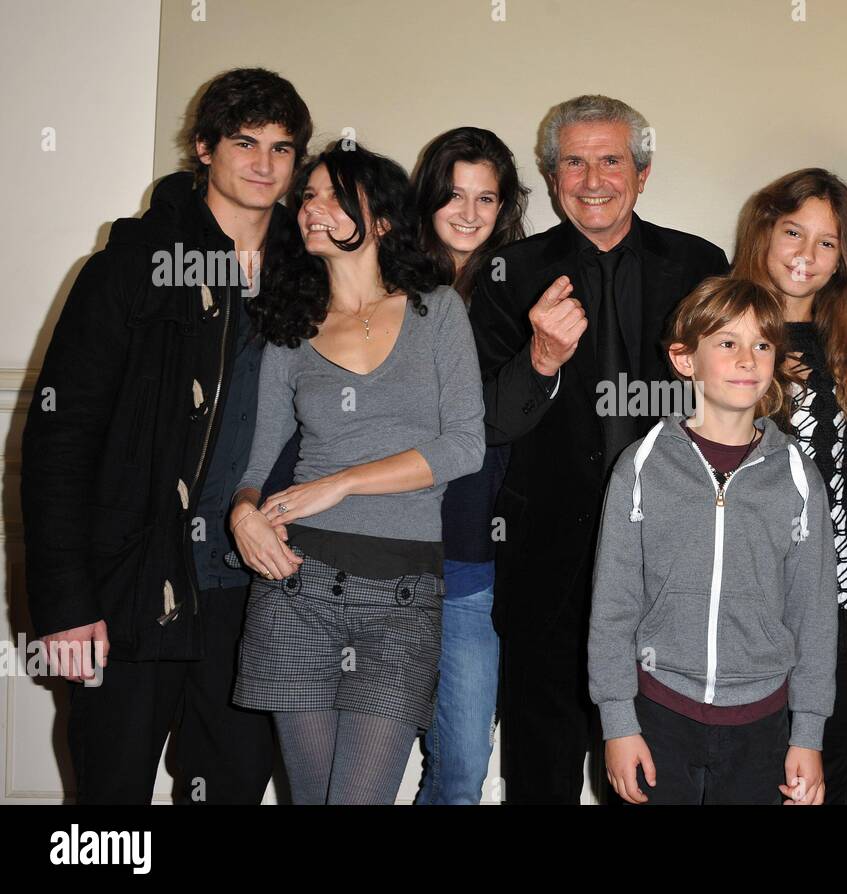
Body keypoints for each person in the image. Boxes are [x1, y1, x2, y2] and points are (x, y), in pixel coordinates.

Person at [21, 68, 312, 804]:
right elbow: (59, 445)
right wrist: (63, 605)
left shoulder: (310, 281)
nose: (263, 164)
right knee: (110, 801)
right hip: (133, 584)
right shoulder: (130, 267)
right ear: (204, 147)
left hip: (252, 592)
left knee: (234, 788)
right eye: (245, 142)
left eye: (282, 148)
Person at [469, 94, 728, 803]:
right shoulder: (507, 273)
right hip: (546, 558)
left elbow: (728, 405)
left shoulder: (701, 263)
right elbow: (489, 420)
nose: (592, 179)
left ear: (641, 174)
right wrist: (542, 359)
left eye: (610, 160)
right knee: (540, 770)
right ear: (552, 178)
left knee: (653, 773)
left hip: (669, 564)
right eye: (573, 162)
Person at [229, 141, 484, 804]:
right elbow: (255, 464)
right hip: (295, 589)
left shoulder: (437, 311)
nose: (312, 209)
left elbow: (463, 447)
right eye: (308, 196)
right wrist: (244, 511)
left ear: (382, 221)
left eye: (334, 198)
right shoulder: (293, 322)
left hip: (400, 598)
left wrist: (339, 483)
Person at [589, 276, 837, 805]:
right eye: (728, 343)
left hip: (763, 723)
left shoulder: (797, 475)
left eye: (762, 344)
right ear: (685, 360)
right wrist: (617, 723)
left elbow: (814, 612)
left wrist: (808, 733)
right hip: (658, 711)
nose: (748, 359)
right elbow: (613, 607)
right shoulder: (640, 467)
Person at [731, 169, 847, 803]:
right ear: (764, 233)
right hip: (745, 613)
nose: (808, 255)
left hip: (844, 605)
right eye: (794, 232)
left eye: (827, 242)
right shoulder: (723, 331)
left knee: (819, 784)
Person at [409, 127, 529, 804]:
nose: (469, 212)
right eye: (454, 194)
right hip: (378, 554)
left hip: (471, 560)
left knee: (461, 765)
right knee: (361, 765)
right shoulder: (382, 283)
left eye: (487, 197)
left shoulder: (519, 292)